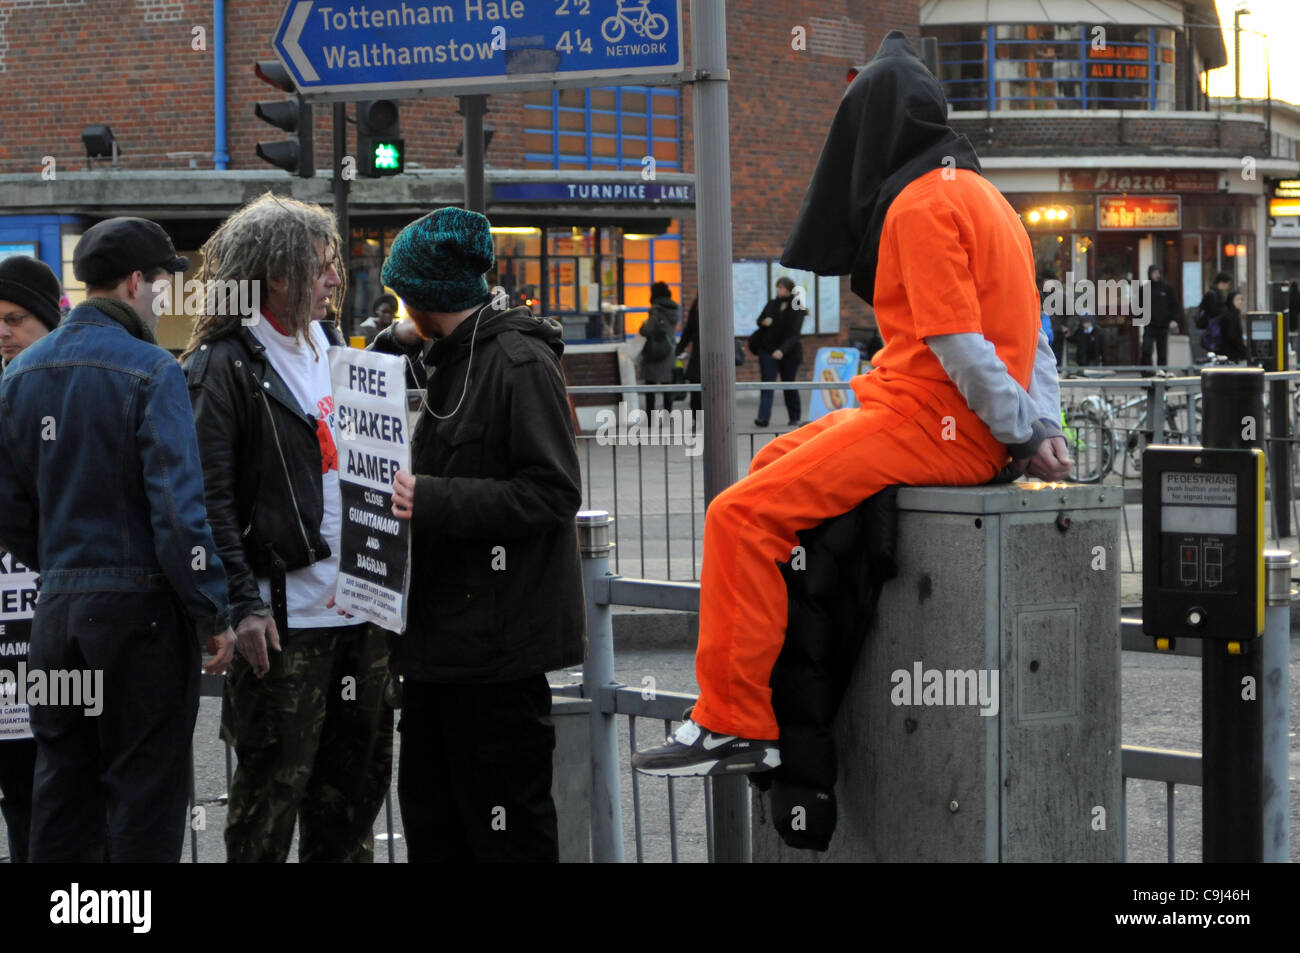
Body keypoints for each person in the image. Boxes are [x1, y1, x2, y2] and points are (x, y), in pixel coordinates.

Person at [631, 31, 1071, 776]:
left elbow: (960, 344)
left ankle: (734, 718)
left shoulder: (918, 204)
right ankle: (762, 704)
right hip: (930, 414)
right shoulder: (990, 198)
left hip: (929, 420)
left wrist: (1023, 433)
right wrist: (1040, 426)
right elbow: (1038, 339)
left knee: (738, 513)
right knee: (771, 463)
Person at [0, 219, 235, 861]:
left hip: (56, 617)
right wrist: (211, 610)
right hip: (142, 620)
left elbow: (11, 512)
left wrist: (60, 566)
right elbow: (178, 512)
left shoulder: (18, 377)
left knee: (62, 787)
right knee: (144, 793)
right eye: (163, 285)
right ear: (137, 282)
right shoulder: (154, 371)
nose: (166, 300)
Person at [180, 193, 393, 863]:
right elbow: (209, 497)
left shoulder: (328, 343)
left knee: (351, 803)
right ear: (278, 275)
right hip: (284, 622)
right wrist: (241, 604)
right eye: (323, 266)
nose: (336, 278)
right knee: (268, 805)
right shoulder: (224, 365)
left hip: (359, 614)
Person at [378, 207, 585, 862]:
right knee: (436, 826)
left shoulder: (518, 363)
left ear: (425, 293)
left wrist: (431, 497)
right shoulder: (453, 357)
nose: (399, 302)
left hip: (494, 659)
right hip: (441, 652)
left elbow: (553, 491)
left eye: (402, 290)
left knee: (506, 834)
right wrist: (399, 343)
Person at [0, 256, 61, 863]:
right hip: (8, 640)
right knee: (20, 795)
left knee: (65, 795)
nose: (2, 332)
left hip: (62, 627)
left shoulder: (77, 394)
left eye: (15, 318)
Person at [750, 276, 806, 427]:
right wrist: (763, 322)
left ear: (789, 289)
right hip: (768, 349)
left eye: (781, 287)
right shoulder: (772, 303)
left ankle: (794, 417)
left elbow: (795, 333)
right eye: (778, 287)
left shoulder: (797, 305)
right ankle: (763, 418)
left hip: (789, 352)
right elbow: (759, 320)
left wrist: (782, 350)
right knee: (767, 383)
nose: (778, 290)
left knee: (789, 383)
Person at [638, 281, 680, 413]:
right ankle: (667, 416)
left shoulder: (656, 310)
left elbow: (647, 330)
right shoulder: (675, 309)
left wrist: (643, 326)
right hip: (669, 350)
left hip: (655, 351)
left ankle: (650, 418)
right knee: (668, 386)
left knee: (650, 386)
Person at [1139, 265, 1180, 368]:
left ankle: (1162, 376)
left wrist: (1174, 319)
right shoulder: (1144, 288)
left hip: (1163, 325)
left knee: (1162, 354)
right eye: (1154, 273)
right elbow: (1137, 304)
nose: (1156, 275)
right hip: (1149, 325)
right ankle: (1146, 376)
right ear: (1150, 274)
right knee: (1146, 350)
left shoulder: (1167, 288)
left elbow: (1174, 304)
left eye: (1158, 272)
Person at [676, 297, 702, 414]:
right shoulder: (696, 308)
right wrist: (678, 349)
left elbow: (688, 332)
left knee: (699, 391)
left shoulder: (698, 307)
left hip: (706, 358)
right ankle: (699, 420)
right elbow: (688, 331)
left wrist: (679, 349)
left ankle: (701, 420)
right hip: (698, 358)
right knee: (696, 391)